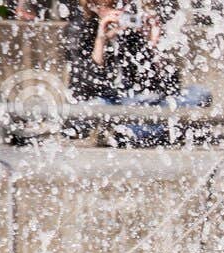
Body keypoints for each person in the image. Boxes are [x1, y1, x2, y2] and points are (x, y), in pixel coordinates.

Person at [64, 0, 210, 146]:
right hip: (104, 101)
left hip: (135, 102)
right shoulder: (80, 28)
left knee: (199, 93)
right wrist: (101, 39)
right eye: (110, 7)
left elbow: (165, 88)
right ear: (92, 6)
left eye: (119, 6)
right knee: (90, 109)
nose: (117, 12)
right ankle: (152, 131)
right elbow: (86, 84)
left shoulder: (130, 29)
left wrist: (154, 45)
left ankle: (129, 132)